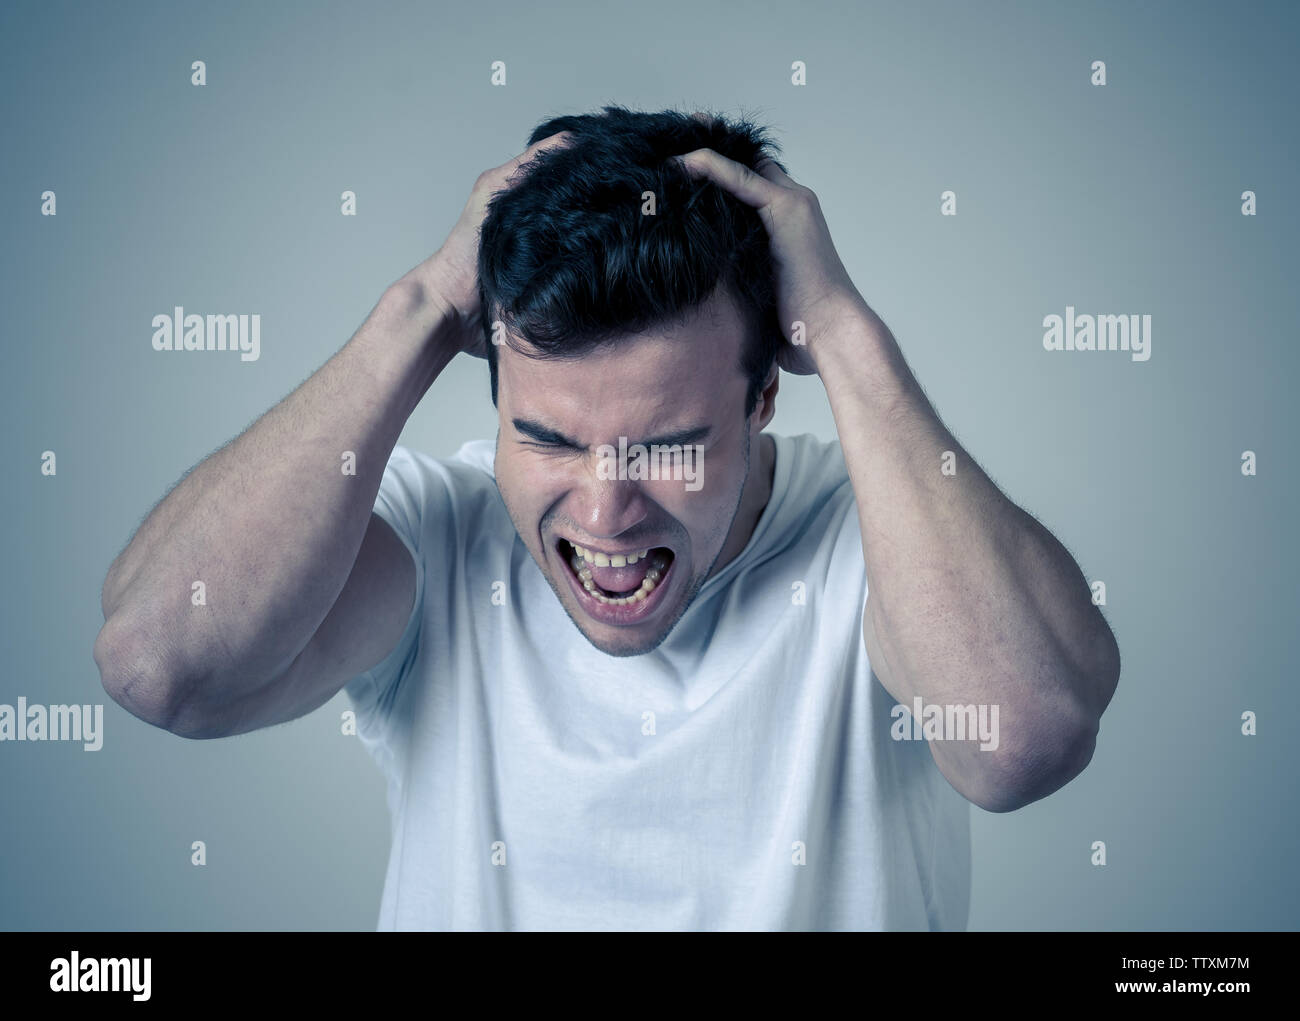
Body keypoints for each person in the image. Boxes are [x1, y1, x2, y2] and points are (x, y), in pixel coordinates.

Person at [95, 105, 1120, 931]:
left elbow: (1021, 740)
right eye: (545, 438)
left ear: (763, 397)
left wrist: (843, 330)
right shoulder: (440, 535)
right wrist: (418, 307)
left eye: (665, 444)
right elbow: (159, 664)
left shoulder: (874, 544)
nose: (602, 509)